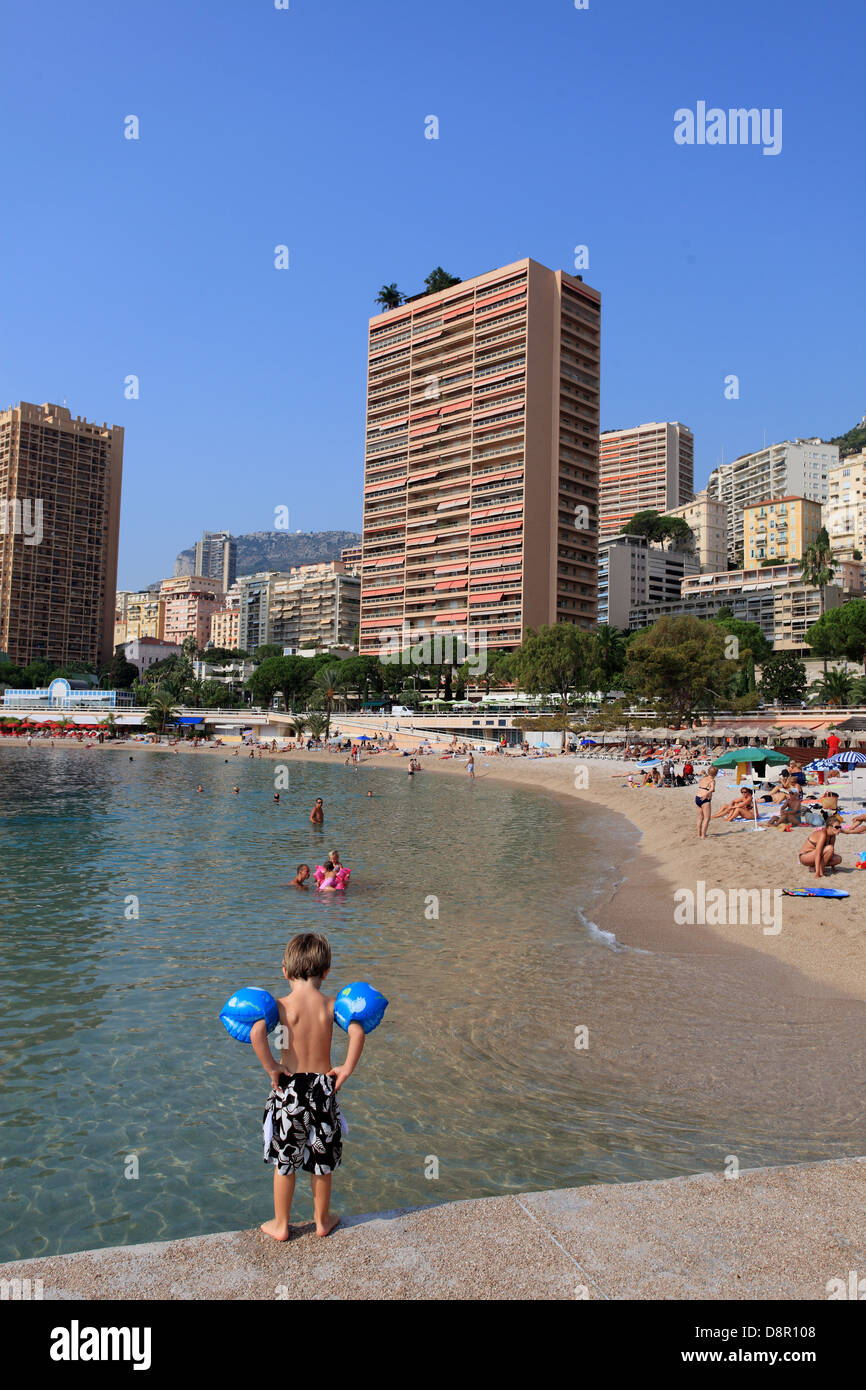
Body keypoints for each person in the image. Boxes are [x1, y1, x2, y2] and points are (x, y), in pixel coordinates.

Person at [252, 933, 364, 1241]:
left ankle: (281, 1224)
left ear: (285, 971)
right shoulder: (331, 1005)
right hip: (322, 1089)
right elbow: (357, 1032)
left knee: (285, 1162)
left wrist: (272, 1066)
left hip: (290, 1090)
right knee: (321, 1162)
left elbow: (257, 1031)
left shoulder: (282, 1006)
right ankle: (321, 1220)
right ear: (326, 972)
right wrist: (345, 1069)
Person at [695, 768, 717, 838]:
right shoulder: (712, 780)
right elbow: (712, 789)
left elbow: (703, 776)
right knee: (707, 818)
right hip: (705, 799)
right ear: (716, 774)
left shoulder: (703, 778)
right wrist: (707, 794)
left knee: (700, 818)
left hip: (697, 797)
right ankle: (703, 835)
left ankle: (699, 834)